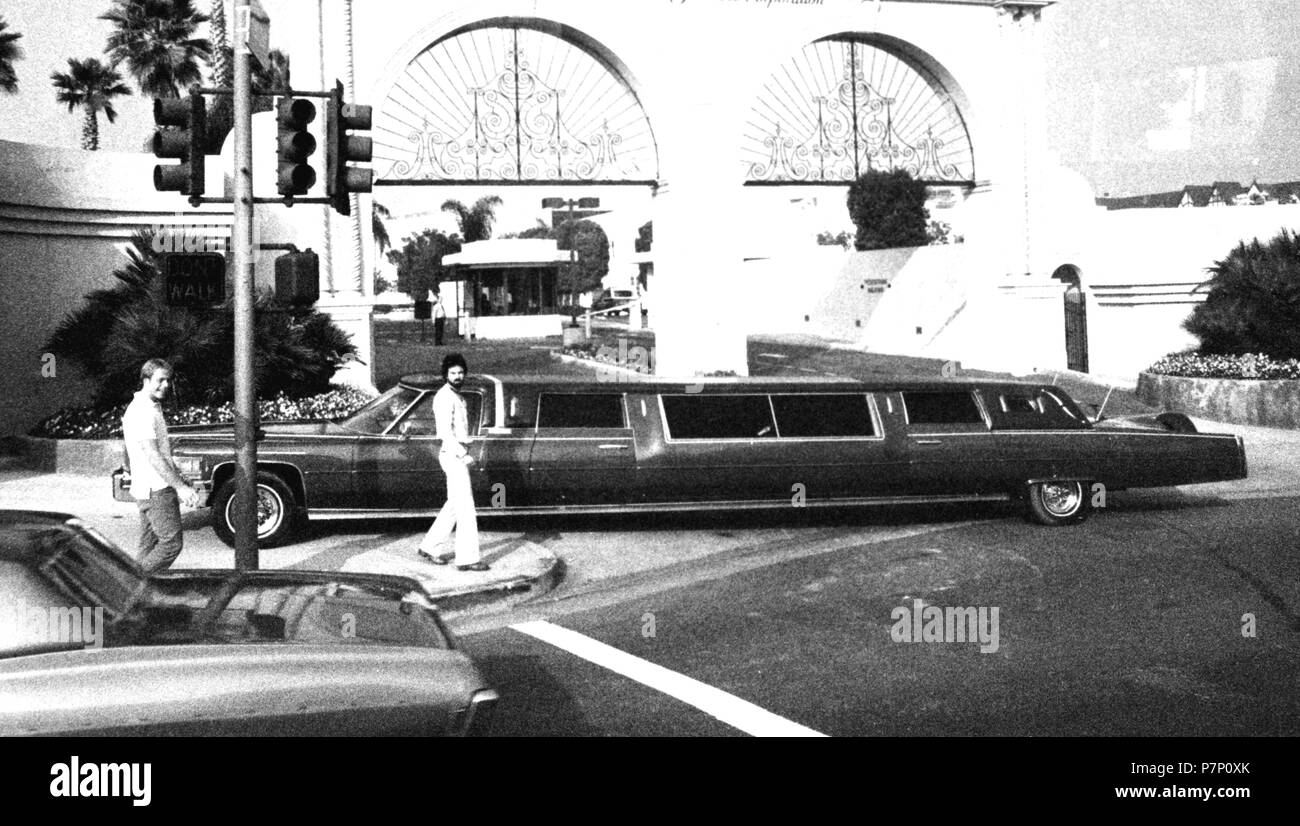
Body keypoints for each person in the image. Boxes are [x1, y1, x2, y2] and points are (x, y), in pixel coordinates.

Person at [121, 358, 202, 573]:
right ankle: (131, 585)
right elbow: (153, 454)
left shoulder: (144, 407)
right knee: (171, 544)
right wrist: (180, 487)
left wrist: (130, 468)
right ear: (146, 379)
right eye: (160, 380)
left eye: (168, 380)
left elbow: (128, 448)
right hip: (156, 489)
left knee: (148, 547)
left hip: (146, 488)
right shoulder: (142, 411)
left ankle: (137, 593)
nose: (166, 385)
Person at [417, 353, 489, 571]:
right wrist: (463, 454)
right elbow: (444, 433)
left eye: (460, 373)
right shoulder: (444, 397)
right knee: (466, 507)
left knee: (454, 505)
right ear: (445, 374)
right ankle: (468, 559)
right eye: (453, 373)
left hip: (456, 453)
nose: (457, 376)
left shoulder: (457, 395)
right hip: (453, 455)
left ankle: (429, 546)